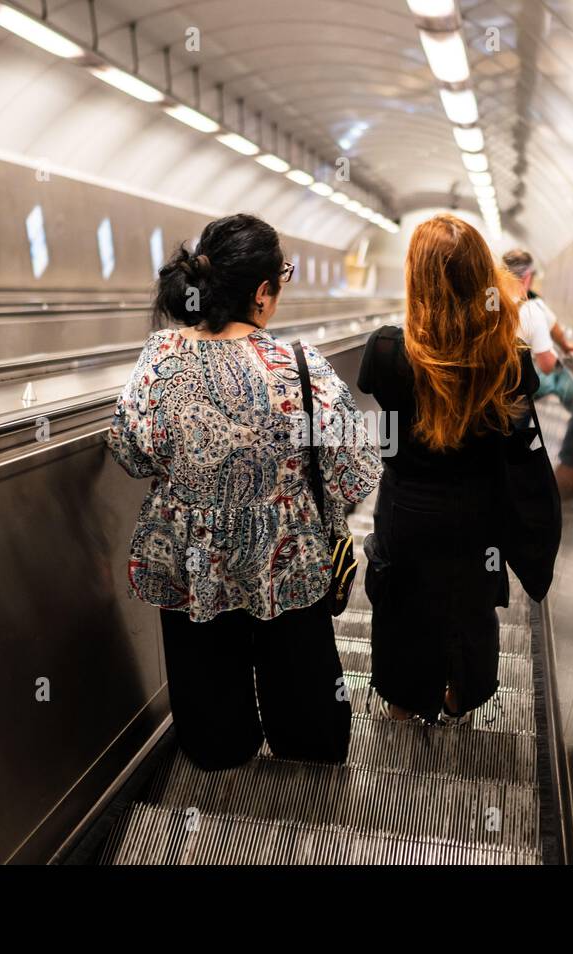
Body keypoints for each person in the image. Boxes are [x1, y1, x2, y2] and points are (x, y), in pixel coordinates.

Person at [106, 213, 381, 770]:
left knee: (201, 667)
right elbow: (356, 472)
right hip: (288, 552)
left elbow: (131, 452)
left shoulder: (159, 358)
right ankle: (307, 753)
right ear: (262, 292)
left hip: (189, 552)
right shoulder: (301, 368)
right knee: (300, 671)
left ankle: (219, 751)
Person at [358, 214, 540, 724]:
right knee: (471, 604)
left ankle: (403, 702)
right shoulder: (510, 358)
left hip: (407, 507)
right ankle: (461, 696)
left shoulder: (388, 349)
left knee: (400, 602)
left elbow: (377, 384)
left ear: (417, 278)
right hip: (479, 509)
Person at [502, 249, 573, 407]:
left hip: (483, 392)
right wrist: (563, 347)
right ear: (528, 277)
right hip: (514, 398)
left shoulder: (487, 304)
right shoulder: (534, 309)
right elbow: (546, 364)